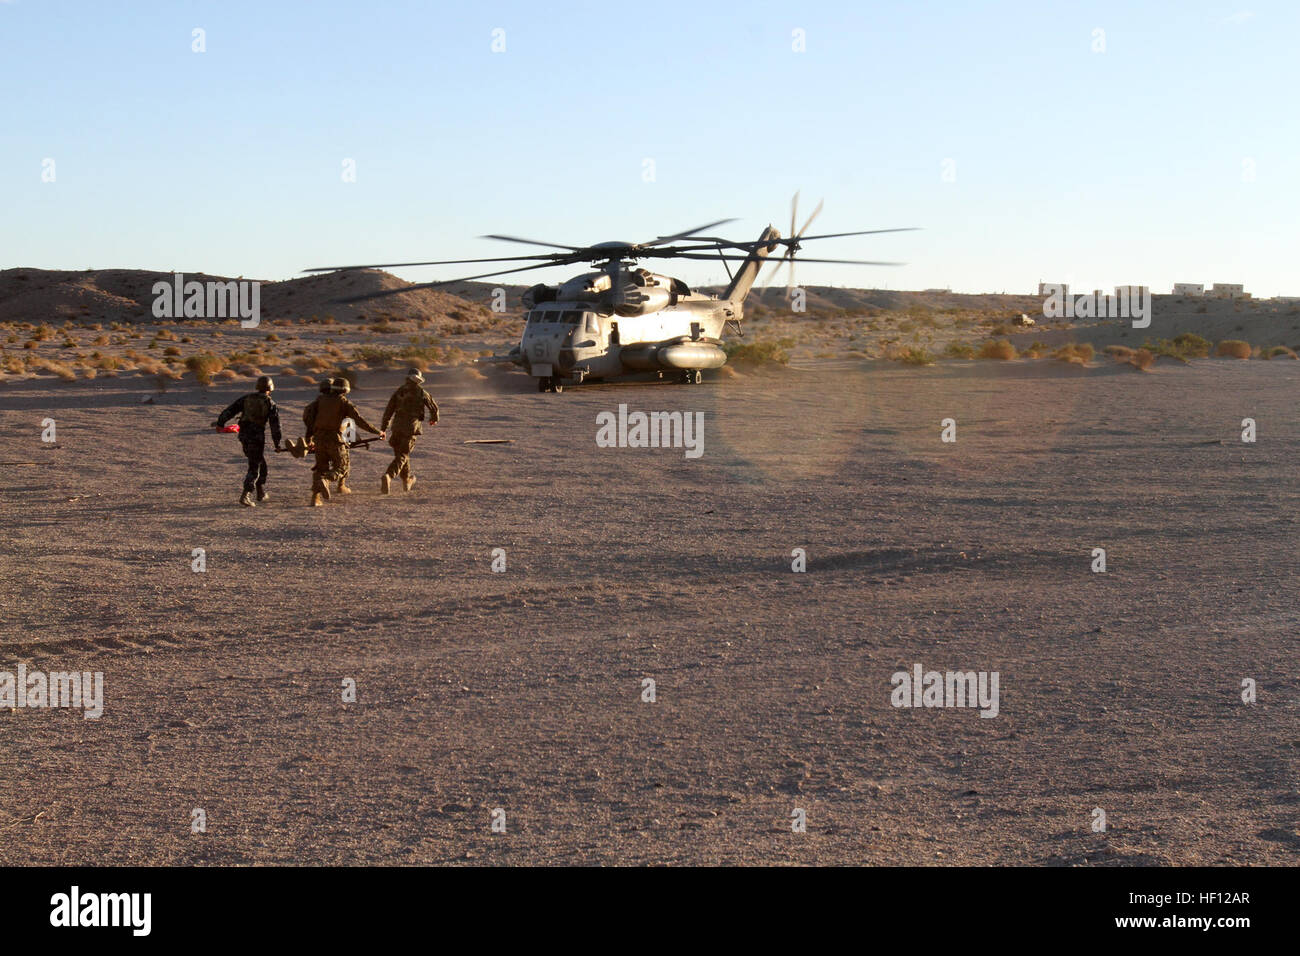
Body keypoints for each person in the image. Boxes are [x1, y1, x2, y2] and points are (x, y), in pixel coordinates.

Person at [302, 377, 383, 507]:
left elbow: (310, 418)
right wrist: (377, 432)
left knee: (320, 468)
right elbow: (359, 420)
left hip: (319, 439)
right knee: (342, 467)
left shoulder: (320, 400)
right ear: (345, 390)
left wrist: (309, 438)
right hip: (335, 440)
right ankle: (328, 480)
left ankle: (315, 498)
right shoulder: (344, 403)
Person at [212, 375, 282, 507]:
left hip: (243, 434)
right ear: (270, 389)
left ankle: (260, 492)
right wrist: (277, 443)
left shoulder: (247, 398)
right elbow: (275, 426)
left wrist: (221, 423)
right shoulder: (270, 403)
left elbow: (230, 410)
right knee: (255, 465)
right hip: (256, 436)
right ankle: (246, 494)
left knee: (260, 462)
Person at [380, 368, 440, 494]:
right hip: (410, 429)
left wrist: (383, 428)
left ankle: (406, 481)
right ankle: (389, 475)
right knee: (403, 456)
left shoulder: (399, 392)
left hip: (396, 428)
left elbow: (388, 411)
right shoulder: (421, 392)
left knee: (402, 455)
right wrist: (434, 419)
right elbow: (433, 407)